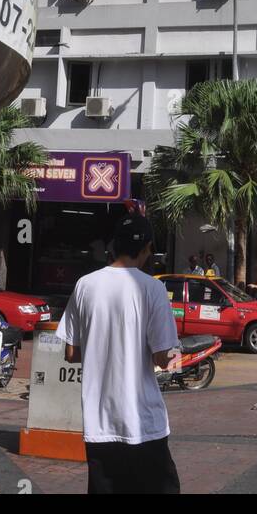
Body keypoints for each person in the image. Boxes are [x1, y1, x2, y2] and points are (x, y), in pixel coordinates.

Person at [57, 212, 181, 494]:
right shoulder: (153, 288)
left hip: (99, 423)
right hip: (144, 423)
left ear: (114, 244)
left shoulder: (85, 285)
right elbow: (165, 358)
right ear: (148, 248)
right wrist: (174, 352)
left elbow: (71, 352)